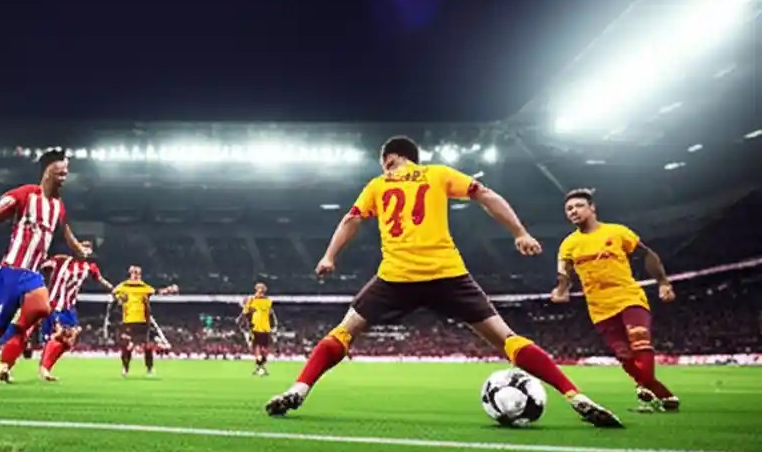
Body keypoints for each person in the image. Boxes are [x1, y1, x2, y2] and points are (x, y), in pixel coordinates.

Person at [263, 135, 623, 428]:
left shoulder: (378, 184)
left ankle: (298, 389)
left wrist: (329, 256)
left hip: (396, 277)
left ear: (391, 159)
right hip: (448, 274)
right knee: (508, 339)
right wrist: (519, 232)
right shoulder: (438, 174)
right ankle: (576, 396)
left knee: (344, 332)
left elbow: (350, 220)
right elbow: (486, 195)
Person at [0, 150, 88, 387]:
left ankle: (12, 343)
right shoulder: (24, 194)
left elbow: (64, 230)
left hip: (32, 273)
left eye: (66, 172)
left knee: (41, 308)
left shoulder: (57, 206)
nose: (64, 176)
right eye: (60, 172)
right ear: (47, 171)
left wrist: (78, 249)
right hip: (11, 271)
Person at [552, 188, 679, 411]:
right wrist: (562, 289)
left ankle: (645, 394)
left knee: (640, 342)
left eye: (579, 206)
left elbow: (647, 254)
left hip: (628, 297)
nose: (573, 211)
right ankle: (664, 396)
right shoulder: (568, 245)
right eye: (569, 209)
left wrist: (663, 282)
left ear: (592, 208)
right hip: (599, 307)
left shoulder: (617, 232)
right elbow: (565, 272)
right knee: (624, 356)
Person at [36, 245, 114, 381]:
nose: (86, 250)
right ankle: (43, 368)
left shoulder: (89, 267)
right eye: (83, 247)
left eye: (89, 249)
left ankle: (45, 365)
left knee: (69, 341)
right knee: (60, 334)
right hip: (55, 304)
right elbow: (42, 266)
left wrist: (114, 290)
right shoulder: (62, 260)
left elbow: (101, 280)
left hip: (70, 307)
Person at [112, 265, 179, 377]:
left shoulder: (143, 286)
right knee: (127, 346)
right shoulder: (124, 286)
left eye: (138, 273)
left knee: (147, 346)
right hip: (128, 320)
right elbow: (114, 293)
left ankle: (149, 368)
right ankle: (125, 368)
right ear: (130, 273)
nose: (136, 275)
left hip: (143, 321)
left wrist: (169, 290)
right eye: (134, 273)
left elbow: (156, 292)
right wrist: (120, 299)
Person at [240, 282, 277, 376]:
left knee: (259, 348)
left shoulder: (253, 300)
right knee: (259, 348)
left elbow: (246, 312)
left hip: (259, 327)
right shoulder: (267, 300)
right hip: (261, 327)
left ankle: (260, 367)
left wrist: (247, 307)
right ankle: (260, 367)